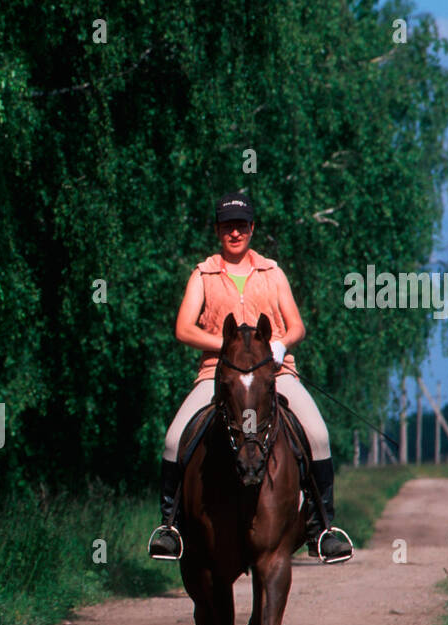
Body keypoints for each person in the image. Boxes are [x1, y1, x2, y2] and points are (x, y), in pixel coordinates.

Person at [148, 191, 353, 563]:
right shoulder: (203, 274)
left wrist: (278, 345)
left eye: (241, 226)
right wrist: (225, 348)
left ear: (252, 229)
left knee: (319, 435)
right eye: (228, 226)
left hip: (274, 373)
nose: (235, 233)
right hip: (219, 375)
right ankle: (170, 527)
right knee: (173, 438)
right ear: (217, 230)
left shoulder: (272, 273)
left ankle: (323, 528)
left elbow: (297, 327)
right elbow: (183, 329)